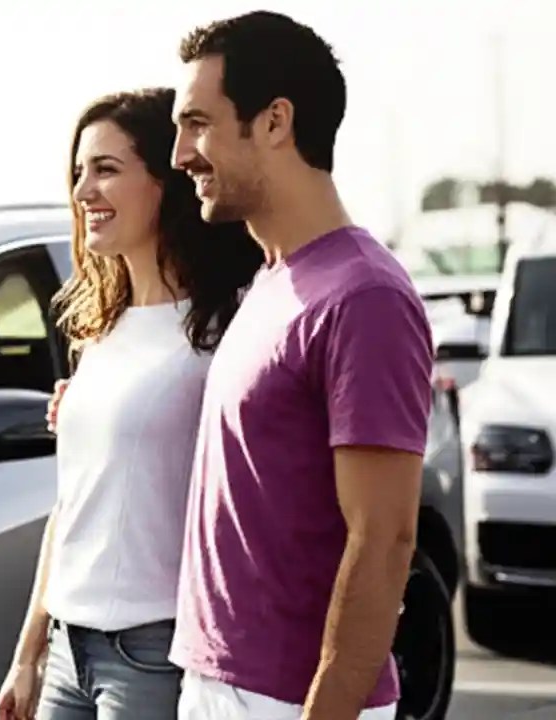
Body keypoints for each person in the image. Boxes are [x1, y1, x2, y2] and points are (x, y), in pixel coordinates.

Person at [166, 11, 434, 720]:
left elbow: (385, 541)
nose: (179, 154)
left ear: (275, 121)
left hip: (290, 702)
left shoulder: (365, 295)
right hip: (216, 683)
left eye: (197, 122)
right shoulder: (274, 282)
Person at [0, 89, 265, 720]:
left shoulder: (231, 326)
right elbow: (72, 506)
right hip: (69, 649)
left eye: (107, 169)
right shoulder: (99, 333)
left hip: (157, 651)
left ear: (166, 182)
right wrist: (28, 654)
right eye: (79, 172)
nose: (84, 190)